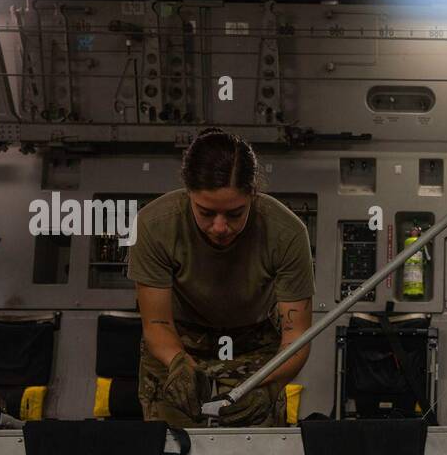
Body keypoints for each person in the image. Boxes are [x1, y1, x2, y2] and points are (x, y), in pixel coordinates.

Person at [127, 128, 314, 427]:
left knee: (254, 454)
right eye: (205, 212)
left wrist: (269, 388)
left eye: (235, 214)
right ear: (188, 192)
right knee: (170, 451)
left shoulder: (286, 233)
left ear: (253, 194)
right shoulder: (154, 226)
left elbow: (296, 338)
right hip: (176, 343)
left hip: (253, 342)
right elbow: (157, 324)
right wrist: (177, 363)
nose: (219, 227)